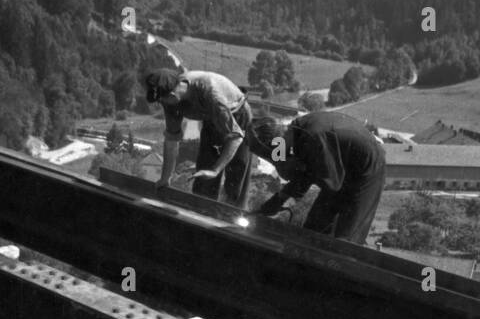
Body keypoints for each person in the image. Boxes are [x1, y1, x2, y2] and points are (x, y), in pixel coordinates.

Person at [248, 109, 386, 245]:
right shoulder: (299, 131)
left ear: (276, 143)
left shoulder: (313, 137)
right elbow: (309, 174)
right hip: (343, 172)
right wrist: (277, 201)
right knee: (313, 230)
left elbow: (329, 184)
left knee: (346, 240)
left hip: (367, 171)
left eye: (274, 155)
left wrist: (289, 195)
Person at [144, 67, 254, 206]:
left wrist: (215, 170)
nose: (162, 105)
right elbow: (171, 141)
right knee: (203, 179)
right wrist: (165, 178)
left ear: (172, 95)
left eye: (162, 101)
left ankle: (232, 221)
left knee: (235, 181)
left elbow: (236, 137)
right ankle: (202, 213)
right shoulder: (171, 102)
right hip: (211, 120)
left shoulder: (210, 93)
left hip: (238, 117)